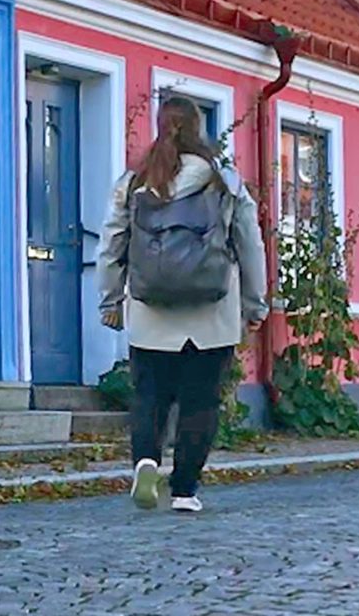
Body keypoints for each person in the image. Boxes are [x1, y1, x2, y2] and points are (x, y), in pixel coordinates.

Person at [97, 95, 268, 513]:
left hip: (151, 310)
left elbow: (111, 244)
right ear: (198, 129)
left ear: (160, 126)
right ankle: (185, 491)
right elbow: (250, 245)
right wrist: (255, 305)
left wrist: (110, 300)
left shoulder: (136, 182)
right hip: (212, 313)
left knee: (149, 395)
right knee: (201, 401)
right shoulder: (224, 180)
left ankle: (146, 461)